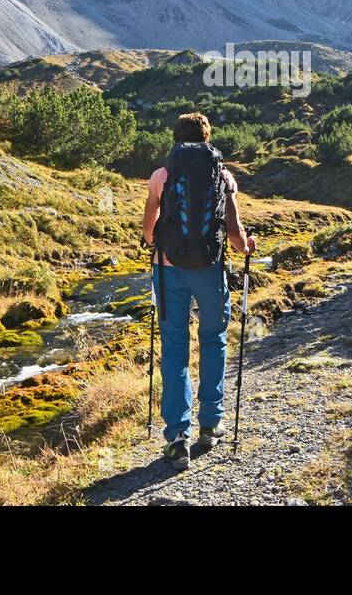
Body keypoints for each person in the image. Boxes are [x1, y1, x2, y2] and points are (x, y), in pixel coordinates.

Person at [142, 111, 256, 471]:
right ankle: (211, 423)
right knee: (213, 339)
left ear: (176, 140)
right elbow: (235, 235)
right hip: (210, 270)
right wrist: (246, 246)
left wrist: (160, 242)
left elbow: (149, 232)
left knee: (174, 347)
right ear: (207, 139)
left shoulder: (162, 176)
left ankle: (178, 437)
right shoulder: (222, 176)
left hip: (169, 271)